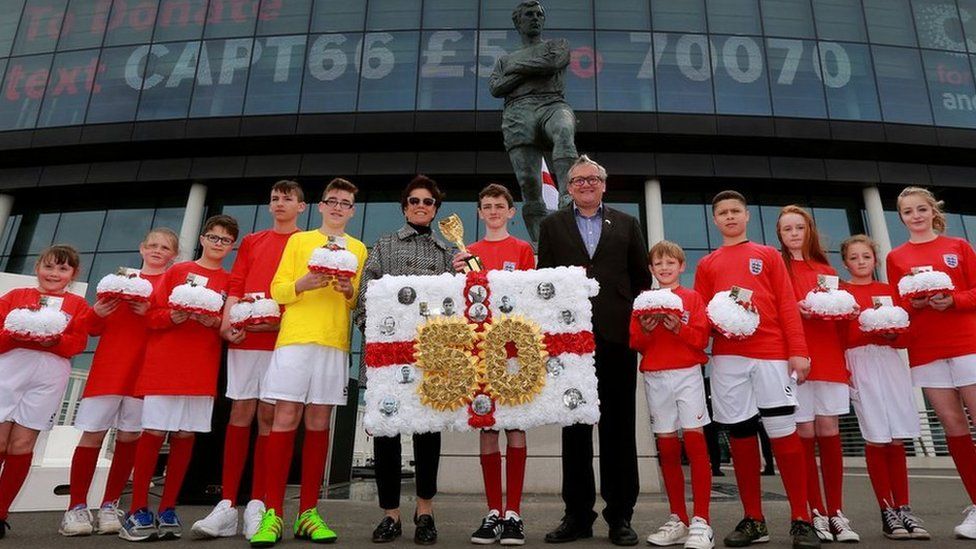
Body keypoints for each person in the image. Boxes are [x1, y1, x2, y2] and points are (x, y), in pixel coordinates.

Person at [537, 155, 653, 546]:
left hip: (617, 339)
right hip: (570, 344)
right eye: (577, 180)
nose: (585, 184)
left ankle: (621, 516)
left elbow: (640, 277)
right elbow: (545, 281)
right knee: (575, 431)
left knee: (620, 430)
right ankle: (577, 515)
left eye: (592, 179)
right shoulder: (552, 225)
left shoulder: (626, 223)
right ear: (568, 188)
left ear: (604, 184)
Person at [693, 191, 819, 549]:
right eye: (723, 213)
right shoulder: (707, 264)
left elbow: (786, 305)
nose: (730, 217)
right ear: (715, 221)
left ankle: (801, 518)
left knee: (782, 432)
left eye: (735, 211)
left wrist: (799, 351)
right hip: (728, 358)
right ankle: (754, 519)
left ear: (746, 216)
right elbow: (703, 313)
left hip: (770, 354)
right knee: (742, 435)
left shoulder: (768, 256)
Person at [247, 178, 367, 547]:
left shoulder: (358, 249)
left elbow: (353, 302)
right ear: (320, 206)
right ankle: (272, 514)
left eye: (345, 203)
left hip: (333, 343)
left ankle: (309, 513)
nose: (337, 208)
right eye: (332, 201)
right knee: (284, 418)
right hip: (296, 340)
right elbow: (278, 290)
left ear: (351, 211)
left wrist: (348, 292)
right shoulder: (299, 241)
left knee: (318, 421)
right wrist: (303, 284)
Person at [192, 181, 306, 540]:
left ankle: (258, 504)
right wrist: (227, 324)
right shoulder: (254, 241)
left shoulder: (305, 242)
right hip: (245, 340)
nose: (280, 203)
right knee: (240, 412)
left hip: (282, 342)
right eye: (274, 198)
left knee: (269, 417)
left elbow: (303, 291)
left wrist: (282, 319)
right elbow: (237, 284)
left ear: (301, 207)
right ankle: (227, 504)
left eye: (287, 198)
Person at [120, 215, 238, 542]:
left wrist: (211, 321)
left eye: (225, 240)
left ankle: (168, 507)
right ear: (202, 238)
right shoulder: (176, 271)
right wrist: (173, 315)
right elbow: (152, 316)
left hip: (201, 367)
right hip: (165, 364)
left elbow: (227, 327)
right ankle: (138, 508)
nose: (218, 244)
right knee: (154, 432)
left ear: (231, 246)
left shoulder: (229, 281)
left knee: (186, 436)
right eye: (213, 237)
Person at [352, 175, 456, 545]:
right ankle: (390, 514)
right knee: (386, 435)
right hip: (388, 357)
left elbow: (454, 310)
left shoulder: (447, 254)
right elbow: (364, 298)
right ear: (404, 205)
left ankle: (425, 510)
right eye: (414, 200)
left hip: (431, 358)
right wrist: (378, 337)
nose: (421, 206)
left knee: (428, 435)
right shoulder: (382, 245)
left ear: (436, 209)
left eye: (428, 201)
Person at [61, 229, 179, 537]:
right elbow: (91, 327)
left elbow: (174, 326)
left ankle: (110, 504)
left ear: (174, 255)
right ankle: (75, 507)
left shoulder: (171, 285)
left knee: (129, 437)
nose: (157, 250)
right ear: (141, 248)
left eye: (165, 247)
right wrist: (97, 311)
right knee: (93, 435)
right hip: (109, 370)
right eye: (152, 245)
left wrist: (152, 312)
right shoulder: (119, 281)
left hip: (146, 373)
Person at [886, 186, 976, 539]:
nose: (916, 216)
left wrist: (953, 301)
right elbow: (897, 304)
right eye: (908, 212)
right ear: (901, 217)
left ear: (932, 211)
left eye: (921, 209)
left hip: (967, 343)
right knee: (954, 425)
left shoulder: (958, 247)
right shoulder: (896, 257)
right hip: (927, 351)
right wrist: (916, 305)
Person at [452, 183, 535, 546]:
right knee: (487, 427)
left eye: (499, 205)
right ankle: (492, 513)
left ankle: (514, 513)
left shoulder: (523, 249)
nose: (493, 211)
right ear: (480, 212)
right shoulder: (467, 251)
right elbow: (459, 304)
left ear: (511, 212)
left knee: (515, 428)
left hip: (515, 351)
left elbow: (532, 298)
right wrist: (457, 276)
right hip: (479, 350)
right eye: (486, 205)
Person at [776, 205, 858, 543]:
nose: (794, 234)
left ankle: (837, 512)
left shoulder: (827, 270)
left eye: (799, 227)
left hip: (829, 359)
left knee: (829, 428)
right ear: (780, 236)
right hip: (796, 361)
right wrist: (792, 310)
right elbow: (775, 314)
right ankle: (814, 511)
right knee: (804, 431)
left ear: (809, 231)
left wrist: (848, 311)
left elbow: (842, 324)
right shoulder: (776, 269)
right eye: (787, 229)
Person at [0, 246, 92, 540]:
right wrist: (15, 336)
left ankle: (0, 514)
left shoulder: (78, 305)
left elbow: (77, 344)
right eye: (49, 267)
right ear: (37, 267)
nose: (55, 274)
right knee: (0, 440)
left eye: (63, 269)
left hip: (49, 378)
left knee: (22, 444)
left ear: (73, 274)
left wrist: (53, 341)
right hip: (9, 371)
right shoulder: (14, 298)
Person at [840, 234, 927, 540]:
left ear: (874, 259)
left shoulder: (889, 291)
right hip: (860, 361)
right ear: (845, 262)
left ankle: (904, 506)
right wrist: (842, 370)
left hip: (890, 361)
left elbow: (906, 335)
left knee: (897, 437)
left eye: (865, 256)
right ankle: (886, 510)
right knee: (877, 436)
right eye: (854, 257)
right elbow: (837, 335)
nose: (860, 262)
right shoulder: (842, 293)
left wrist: (893, 335)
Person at [629, 241, 713, 549]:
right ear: (651, 269)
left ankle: (702, 520)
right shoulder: (644, 301)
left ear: (681, 266)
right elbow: (635, 342)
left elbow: (702, 338)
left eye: (670, 263)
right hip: (655, 376)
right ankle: (678, 517)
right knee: (666, 448)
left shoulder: (692, 298)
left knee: (694, 442)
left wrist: (679, 328)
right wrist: (648, 329)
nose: (665, 268)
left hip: (688, 374)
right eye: (659, 264)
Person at [488, 0, 579, 240]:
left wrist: (516, 70)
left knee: (563, 130)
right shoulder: (503, 61)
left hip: (552, 103)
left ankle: (567, 195)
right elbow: (496, 88)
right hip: (517, 112)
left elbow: (552, 63)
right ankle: (540, 241)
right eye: (529, 14)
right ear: (518, 22)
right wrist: (534, 69)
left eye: (539, 14)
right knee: (529, 183)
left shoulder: (558, 45)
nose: (535, 18)